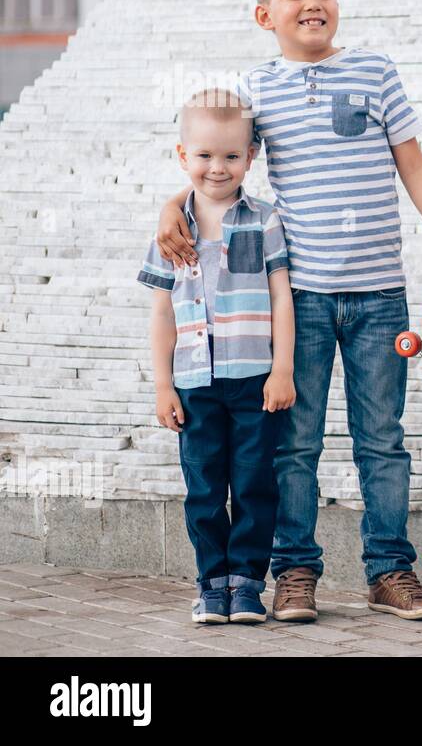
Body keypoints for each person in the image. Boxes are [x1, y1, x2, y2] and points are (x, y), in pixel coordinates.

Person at [154, 0, 422, 622]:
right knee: (294, 442)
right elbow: (216, 162)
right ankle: (293, 570)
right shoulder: (256, 89)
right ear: (265, 14)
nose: (313, 3)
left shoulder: (374, 71)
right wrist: (168, 205)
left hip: (379, 293)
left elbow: (412, 163)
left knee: (381, 441)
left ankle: (389, 570)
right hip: (298, 297)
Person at [140, 88, 294, 624]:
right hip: (194, 383)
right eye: (204, 155)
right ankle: (210, 583)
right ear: (183, 157)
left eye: (231, 155)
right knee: (204, 488)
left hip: (255, 381)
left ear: (251, 156)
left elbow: (281, 297)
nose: (217, 167)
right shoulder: (169, 230)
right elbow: (162, 314)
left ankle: (248, 583)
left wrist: (282, 369)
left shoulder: (265, 220)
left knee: (255, 482)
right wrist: (163, 386)